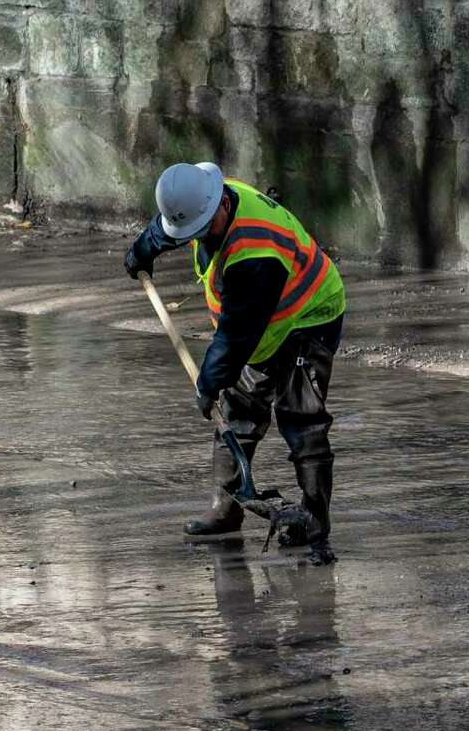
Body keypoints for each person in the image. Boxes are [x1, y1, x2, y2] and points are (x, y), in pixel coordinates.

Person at [125, 163, 345, 553]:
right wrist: (144, 249)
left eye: (200, 230)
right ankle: (225, 508)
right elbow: (168, 225)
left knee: (301, 416)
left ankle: (315, 516)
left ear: (220, 207)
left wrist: (208, 382)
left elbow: (237, 335)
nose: (196, 238)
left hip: (309, 315)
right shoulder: (204, 198)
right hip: (263, 326)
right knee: (238, 411)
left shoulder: (256, 253)